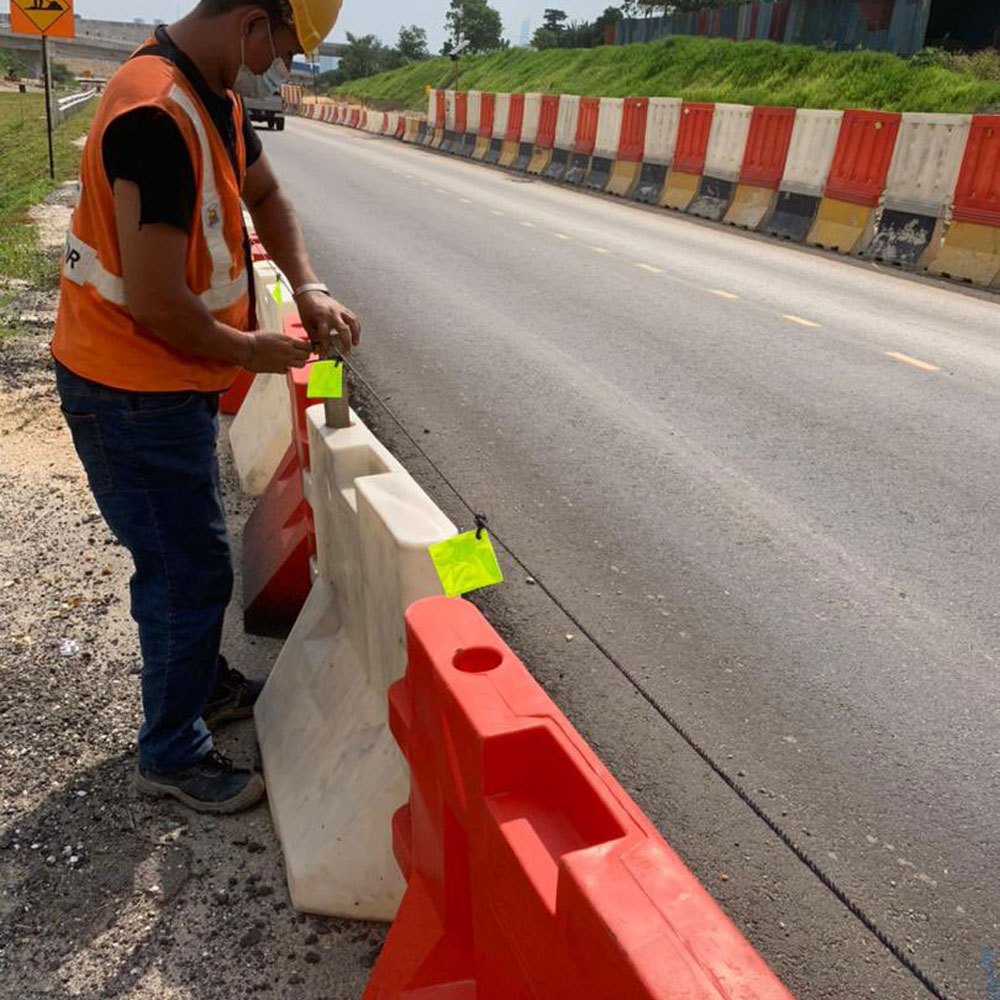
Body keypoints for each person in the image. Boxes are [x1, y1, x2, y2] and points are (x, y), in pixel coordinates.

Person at [52, 0, 357, 814]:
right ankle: (171, 754)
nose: (280, 69)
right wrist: (250, 353)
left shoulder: (212, 96)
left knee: (190, 549)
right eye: (282, 49)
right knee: (187, 569)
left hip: (164, 383)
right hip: (124, 387)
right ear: (250, 20)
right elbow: (155, 300)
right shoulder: (155, 115)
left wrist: (310, 287)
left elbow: (267, 194)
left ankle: (202, 683)